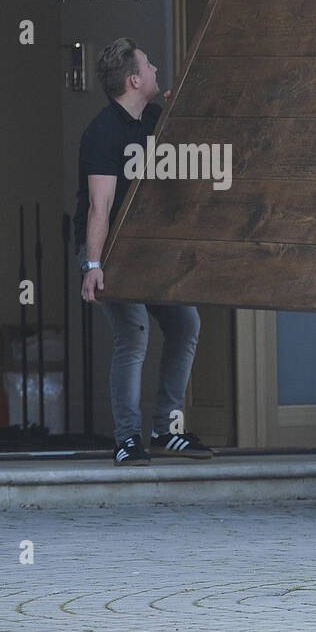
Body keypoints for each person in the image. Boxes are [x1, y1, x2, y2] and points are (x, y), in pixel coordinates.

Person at [74, 38, 211, 465]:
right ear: (134, 79)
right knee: (133, 333)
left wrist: (180, 110)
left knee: (185, 323)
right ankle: (128, 439)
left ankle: (165, 431)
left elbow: (190, 156)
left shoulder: (153, 118)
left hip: (146, 248)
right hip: (109, 248)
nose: (156, 70)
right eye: (149, 66)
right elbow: (100, 207)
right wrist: (94, 265)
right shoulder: (103, 132)